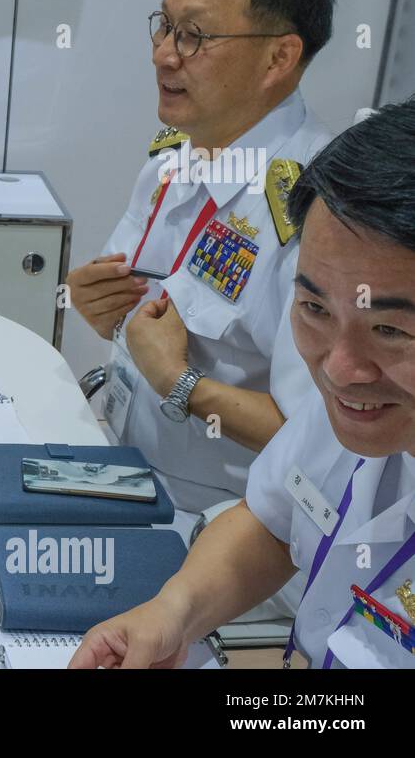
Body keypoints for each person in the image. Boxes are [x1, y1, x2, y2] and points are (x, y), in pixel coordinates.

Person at [71, 99, 415, 670]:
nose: (339, 368)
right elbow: (275, 521)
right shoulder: (359, 410)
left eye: (390, 329)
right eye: (313, 308)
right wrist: (172, 613)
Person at [67, 0, 334, 520]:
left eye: (195, 36)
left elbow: (327, 438)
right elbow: (128, 313)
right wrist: (99, 306)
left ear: (279, 58)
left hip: (225, 534)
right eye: (163, 26)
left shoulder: (319, 210)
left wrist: (180, 384)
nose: (165, 54)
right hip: (122, 467)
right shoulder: (174, 157)